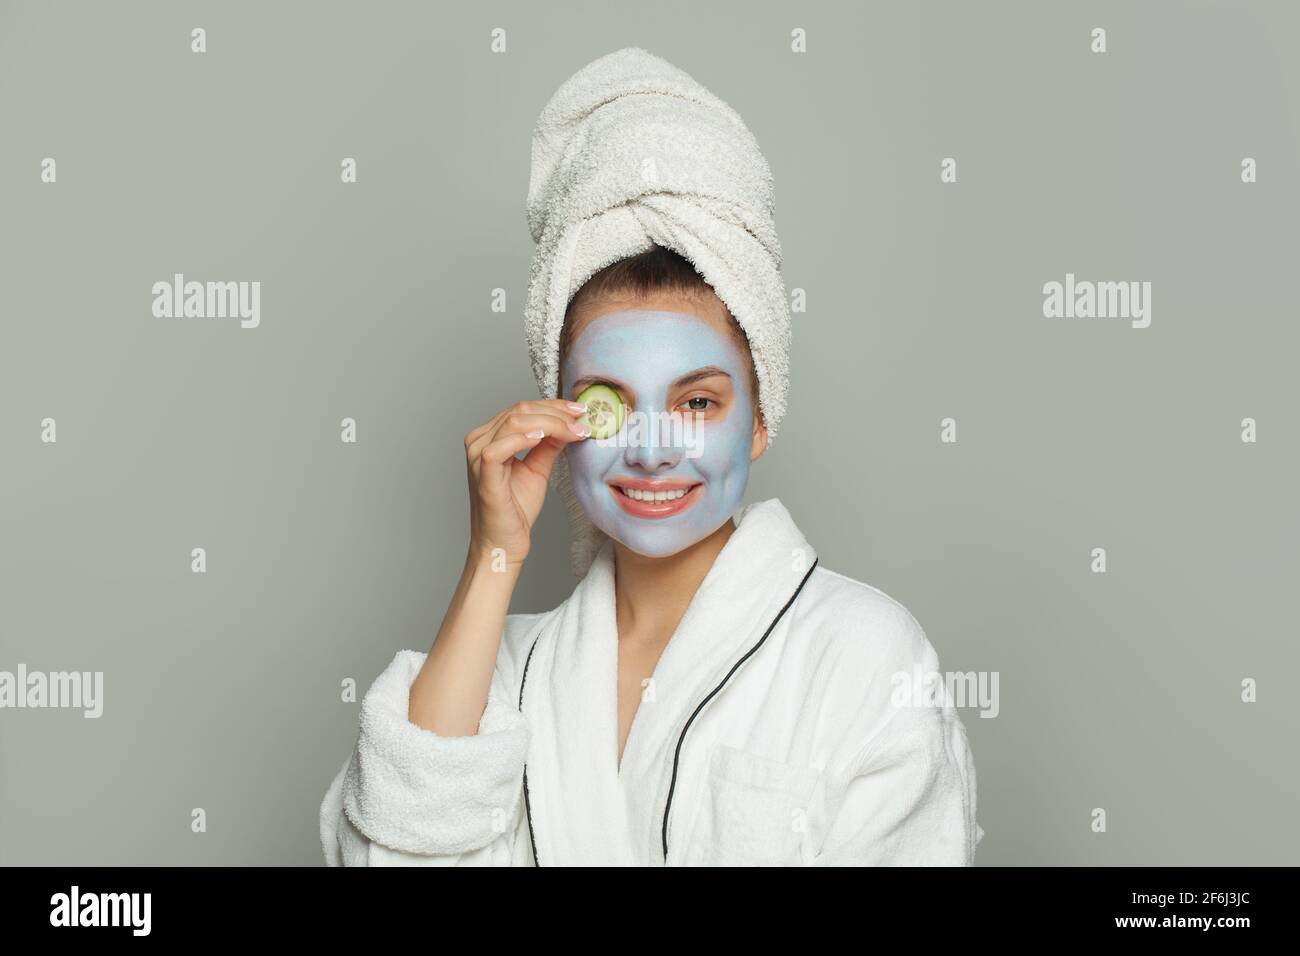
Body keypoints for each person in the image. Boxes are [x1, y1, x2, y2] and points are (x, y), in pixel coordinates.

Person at [319, 48, 983, 866]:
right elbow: (390, 853)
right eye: (610, 404)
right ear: (559, 421)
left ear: (761, 418)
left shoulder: (863, 656)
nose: (653, 449)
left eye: (696, 403)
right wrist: (494, 553)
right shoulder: (508, 677)